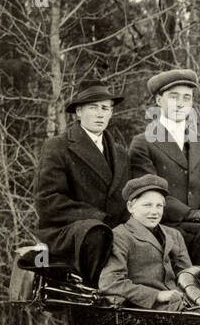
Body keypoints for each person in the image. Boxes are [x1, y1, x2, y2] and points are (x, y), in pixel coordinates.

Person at [34, 80, 131, 285]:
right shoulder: (58, 146)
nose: (99, 113)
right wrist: (98, 218)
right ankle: (94, 296)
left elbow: (127, 200)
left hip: (111, 229)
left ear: (111, 113)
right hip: (68, 232)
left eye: (105, 108)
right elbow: (48, 201)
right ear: (78, 112)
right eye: (93, 107)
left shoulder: (121, 154)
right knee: (97, 233)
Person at [129, 68, 200, 264]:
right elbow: (149, 190)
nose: (181, 103)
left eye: (187, 97)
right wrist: (192, 215)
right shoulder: (143, 142)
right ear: (159, 101)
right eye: (174, 97)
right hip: (165, 222)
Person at [98, 174, 192, 310]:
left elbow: (187, 275)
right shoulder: (120, 236)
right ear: (130, 207)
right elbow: (110, 283)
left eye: (159, 206)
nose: (154, 212)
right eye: (147, 205)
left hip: (181, 304)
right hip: (146, 307)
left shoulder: (174, 235)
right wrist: (157, 295)